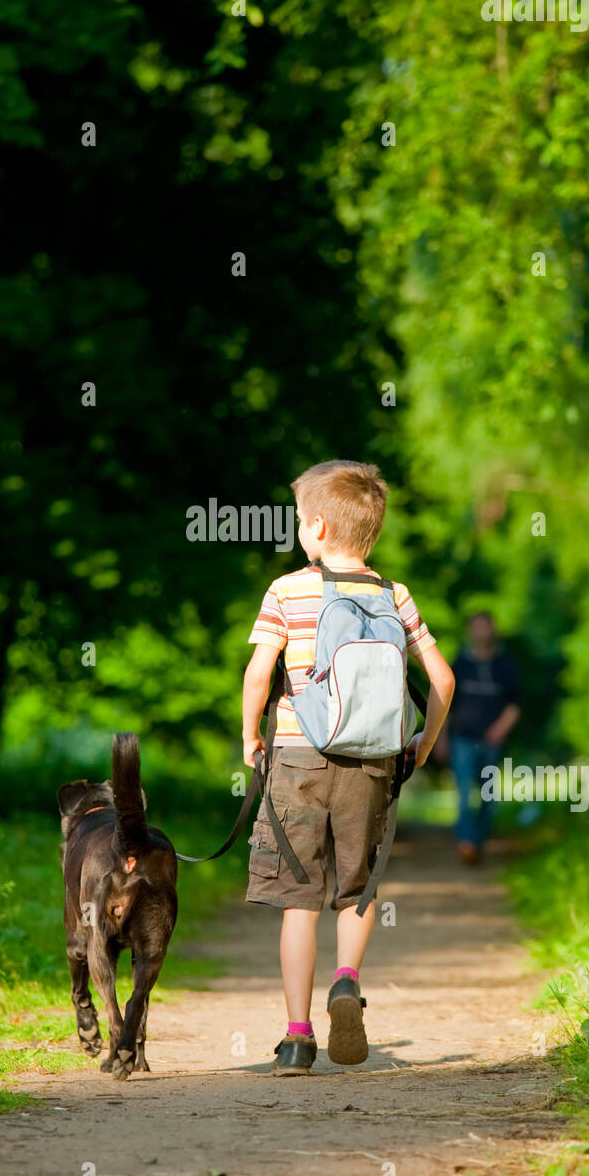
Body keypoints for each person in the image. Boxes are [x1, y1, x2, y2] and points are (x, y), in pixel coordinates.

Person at [241, 460, 455, 1075]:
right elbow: (441, 679)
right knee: (355, 891)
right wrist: (421, 743)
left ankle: (297, 1037)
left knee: (298, 900)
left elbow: (260, 672)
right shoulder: (394, 595)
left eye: (302, 523)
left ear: (318, 528)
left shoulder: (287, 590)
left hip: (297, 754)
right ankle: (346, 981)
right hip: (373, 762)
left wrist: (249, 735)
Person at [445, 612, 521, 865]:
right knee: (465, 793)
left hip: (491, 742)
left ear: (492, 629)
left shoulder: (505, 664)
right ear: (470, 630)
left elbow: (515, 704)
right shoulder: (460, 663)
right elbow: (446, 704)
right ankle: (467, 843)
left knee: (488, 797)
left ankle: (478, 839)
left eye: (484, 626)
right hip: (462, 739)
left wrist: (501, 728)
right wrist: (440, 737)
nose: (480, 632)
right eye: (475, 627)